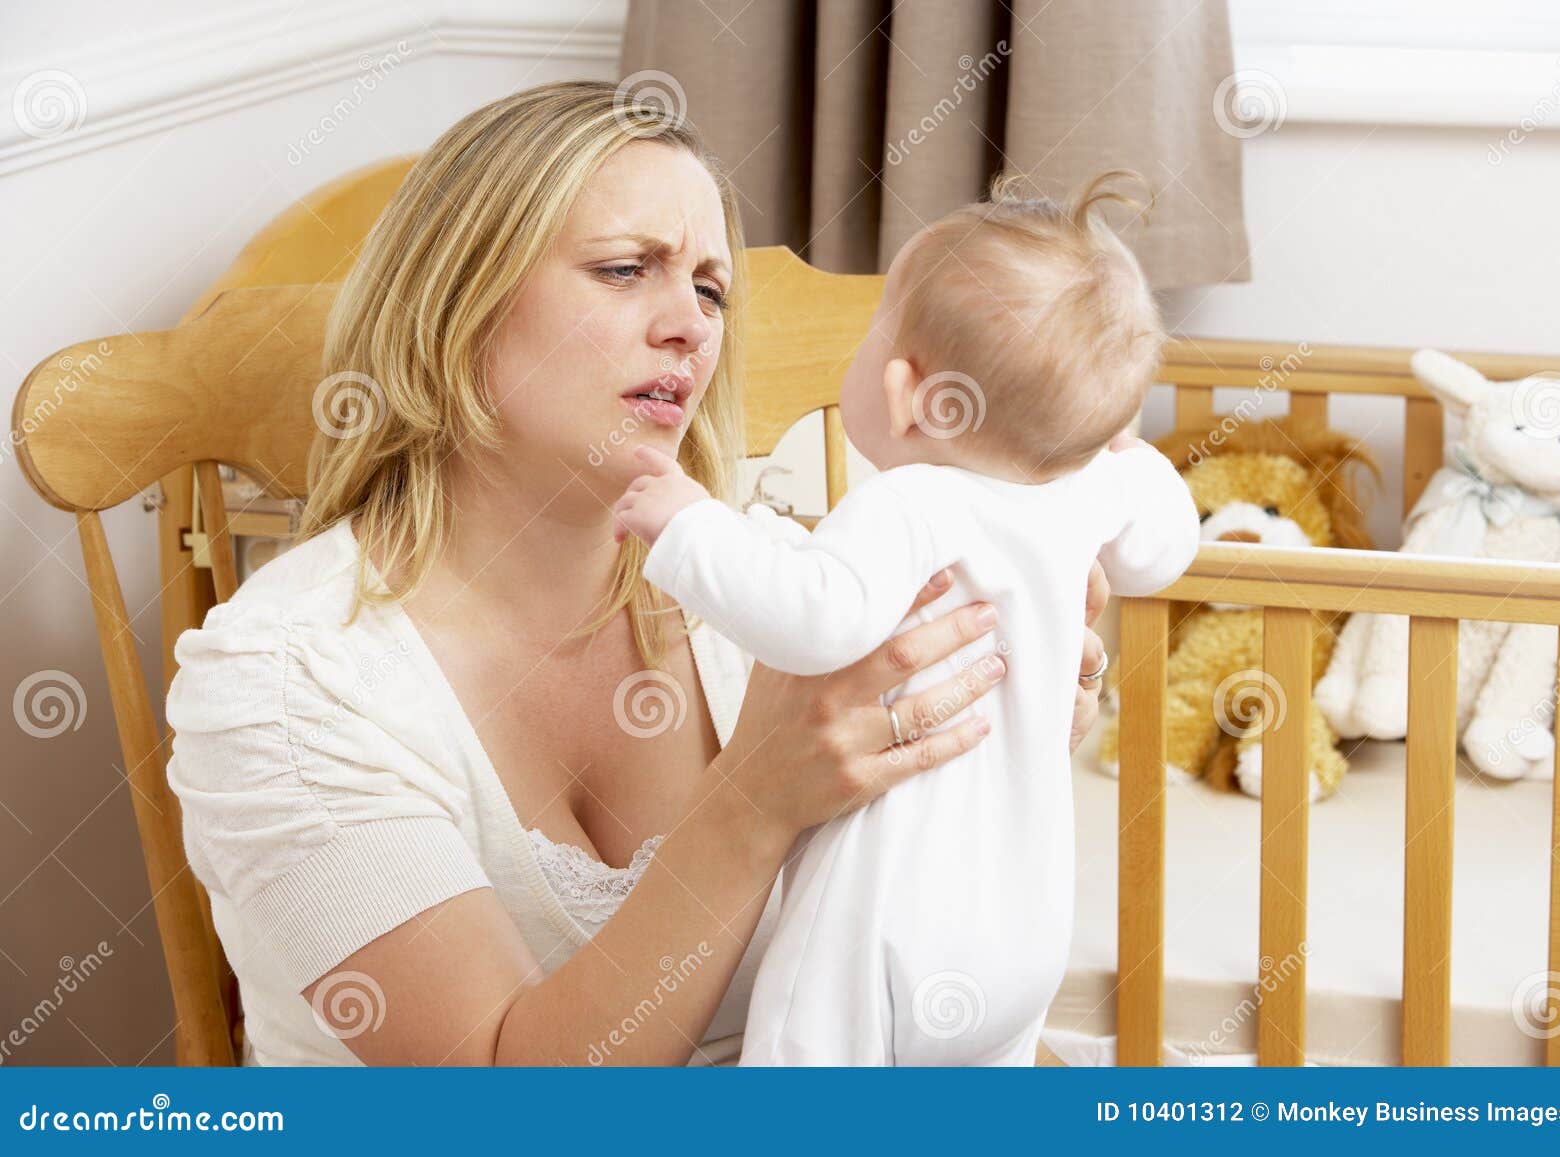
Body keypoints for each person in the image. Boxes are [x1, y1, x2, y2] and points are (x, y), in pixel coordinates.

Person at [163, 80, 1111, 1067]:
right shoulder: (283, 683)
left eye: (709, 289)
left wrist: (990, 731)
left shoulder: (766, 588)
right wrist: (752, 798)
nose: (691, 327)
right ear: (455, 303)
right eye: (624, 269)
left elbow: (911, 938)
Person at [613, 173, 1199, 1064]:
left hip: (891, 915)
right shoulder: (1090, 491)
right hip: (1025, 927)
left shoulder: (912, 504)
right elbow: (1164, 548)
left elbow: (814, 617)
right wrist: (1124, 449)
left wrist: (688, 523)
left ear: (906, 393)